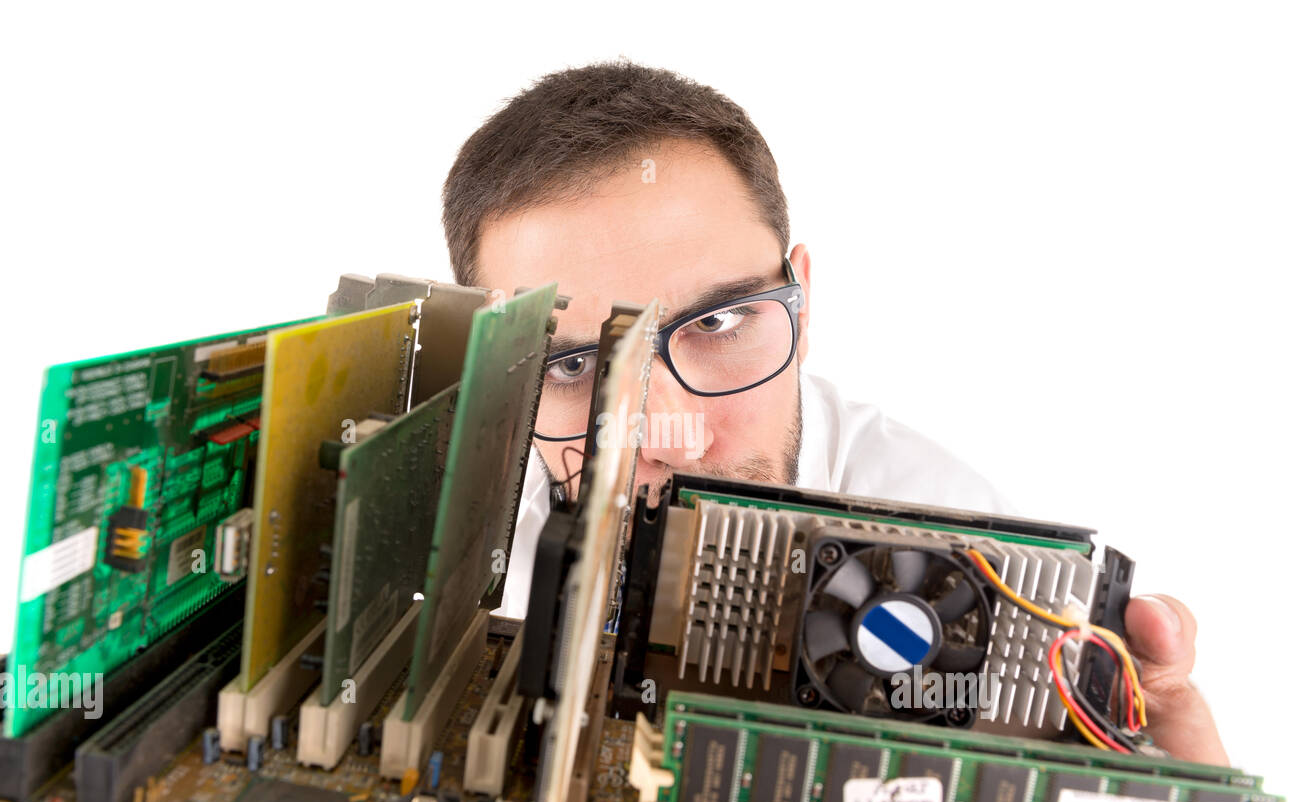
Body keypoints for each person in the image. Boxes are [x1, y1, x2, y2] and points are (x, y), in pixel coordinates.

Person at [440, 60, 1227, 766]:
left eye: (718, 324)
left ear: (803, 304)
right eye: (575, 365)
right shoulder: (433, 548)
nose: (669, 434)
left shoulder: (981, 575)